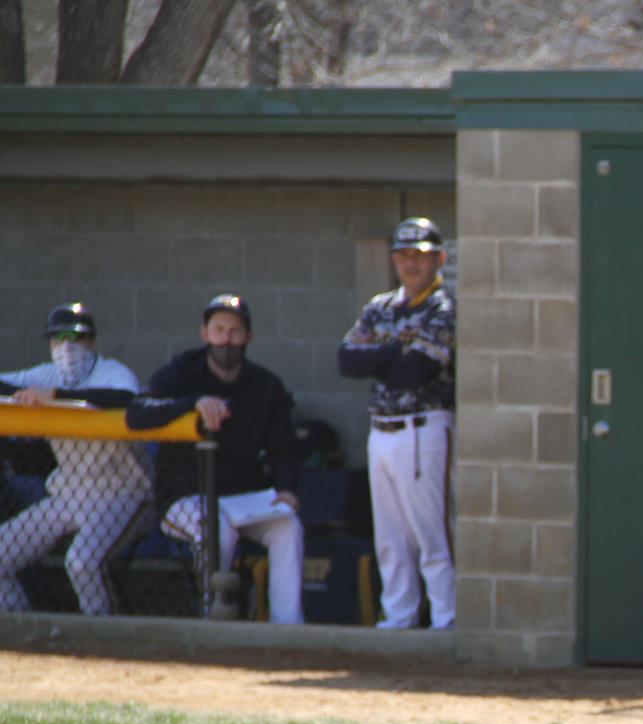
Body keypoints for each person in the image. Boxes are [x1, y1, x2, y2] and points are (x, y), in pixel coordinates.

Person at [127, 294, 305, 624]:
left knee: (287, 526)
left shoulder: (265, 385)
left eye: (235, 331)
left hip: (242, 497)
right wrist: (193, 403)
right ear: (204, 333)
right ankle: (215, 623)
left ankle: (288, 627)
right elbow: (136, 415)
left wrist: (287, 489)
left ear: (248, 337)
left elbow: (284, 447)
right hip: (184, 498)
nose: (226, 339)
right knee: (217, 530)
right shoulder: (181, 373)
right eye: (219, 329)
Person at [338, 216, 456, 630]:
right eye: (403, 256)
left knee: (432, 535)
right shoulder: (380, 306)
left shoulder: (443, 308)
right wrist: (394, 350)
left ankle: (446, 618)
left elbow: (416, 372)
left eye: (420, 256)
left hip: (424, 428)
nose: (411, 264)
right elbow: (346, 360)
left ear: (439, 259)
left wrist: (381, 356)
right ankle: (399, 615)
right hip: (382, 431)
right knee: (390, 538)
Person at [0, 303, 146, 615]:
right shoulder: (46, 374)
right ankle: (22, 629)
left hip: (123, 493)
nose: (67, 348)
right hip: (68, 492)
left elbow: (125, 398)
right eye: (58, 339)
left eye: (75, 339)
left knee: (82, 562)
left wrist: (54, 398)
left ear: (92, 343)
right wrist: (25, 394)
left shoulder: (111, 372)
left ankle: (101, 634)